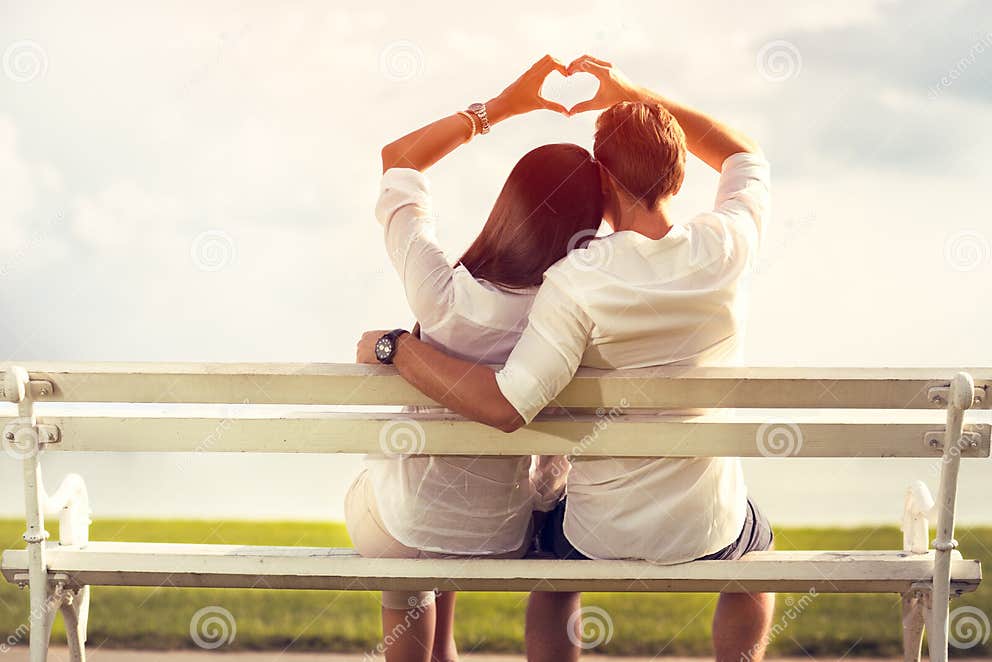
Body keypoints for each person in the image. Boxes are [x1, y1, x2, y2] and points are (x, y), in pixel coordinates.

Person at [357, 55, 775, 662]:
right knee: (754, 555)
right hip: (708, 525)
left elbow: (506, 407)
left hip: (599, 531)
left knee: (553, 582)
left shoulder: (575, 281)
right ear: (681, 175)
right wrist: (633, 94)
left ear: (603, 183)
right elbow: (744, 156)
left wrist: (399, 347)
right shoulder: (727, 244)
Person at [346, 55, 604, 662]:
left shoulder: (442, 292)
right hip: (501, 533)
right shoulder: (570, 314)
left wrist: (501, 107)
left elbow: (399, 159)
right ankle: (445, 648)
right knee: (452, 499)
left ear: (508, 204)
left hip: (408, 530)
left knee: (406, 511)